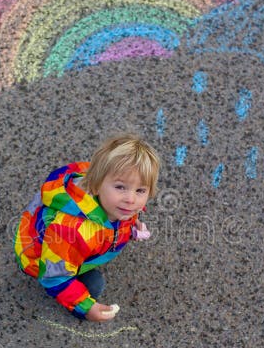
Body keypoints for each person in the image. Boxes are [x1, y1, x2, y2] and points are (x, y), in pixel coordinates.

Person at [15, 134, 160, 322]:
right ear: (96, 185)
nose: (131, 199)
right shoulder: (71, 233)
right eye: (120, 187)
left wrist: (131, 226)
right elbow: (53, 276)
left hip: (73, 244)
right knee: (94, 286)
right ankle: (75, 305)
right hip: (40, 259)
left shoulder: (118, 205)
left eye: (140, 191)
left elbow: (128, 210)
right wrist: (85, 307)